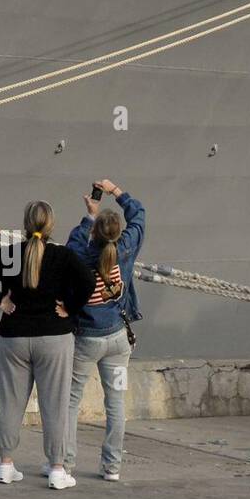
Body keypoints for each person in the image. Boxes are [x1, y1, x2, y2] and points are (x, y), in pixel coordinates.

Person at [0, 200, 94, 489]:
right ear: (51, 225)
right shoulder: (63, 256)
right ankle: (57, 469)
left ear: (25, 224)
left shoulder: (10, 254)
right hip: (54, 337)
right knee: (56, 405)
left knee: (9, 404)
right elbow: (88, 282)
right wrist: (70, 308)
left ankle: (6, 464)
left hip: (13, 337)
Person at [64, 178, 146, 482]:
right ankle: (112, 468)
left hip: (86, 339)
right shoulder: (126, 248)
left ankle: (65, 464)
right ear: (118, 233)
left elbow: (72, 244)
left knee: (71, 402)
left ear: (95, 232)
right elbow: (139, 215)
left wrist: (89, 214)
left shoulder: (81, 256)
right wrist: (116, 192)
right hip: (118, 339)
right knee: (115, 403)